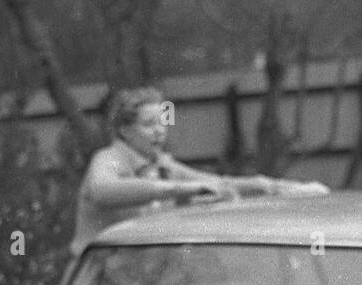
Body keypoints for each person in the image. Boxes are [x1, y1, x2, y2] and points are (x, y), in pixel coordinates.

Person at [67, 86, 328, 265]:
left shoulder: (160, 164)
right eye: (148, 125)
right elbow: (102, 190)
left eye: (162, 124)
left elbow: (216, 183)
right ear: (124, 129)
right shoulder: (107, 159)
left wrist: (277, 187)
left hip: (139, 280)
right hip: (97, 279)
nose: (159, 132)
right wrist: (178, 189)